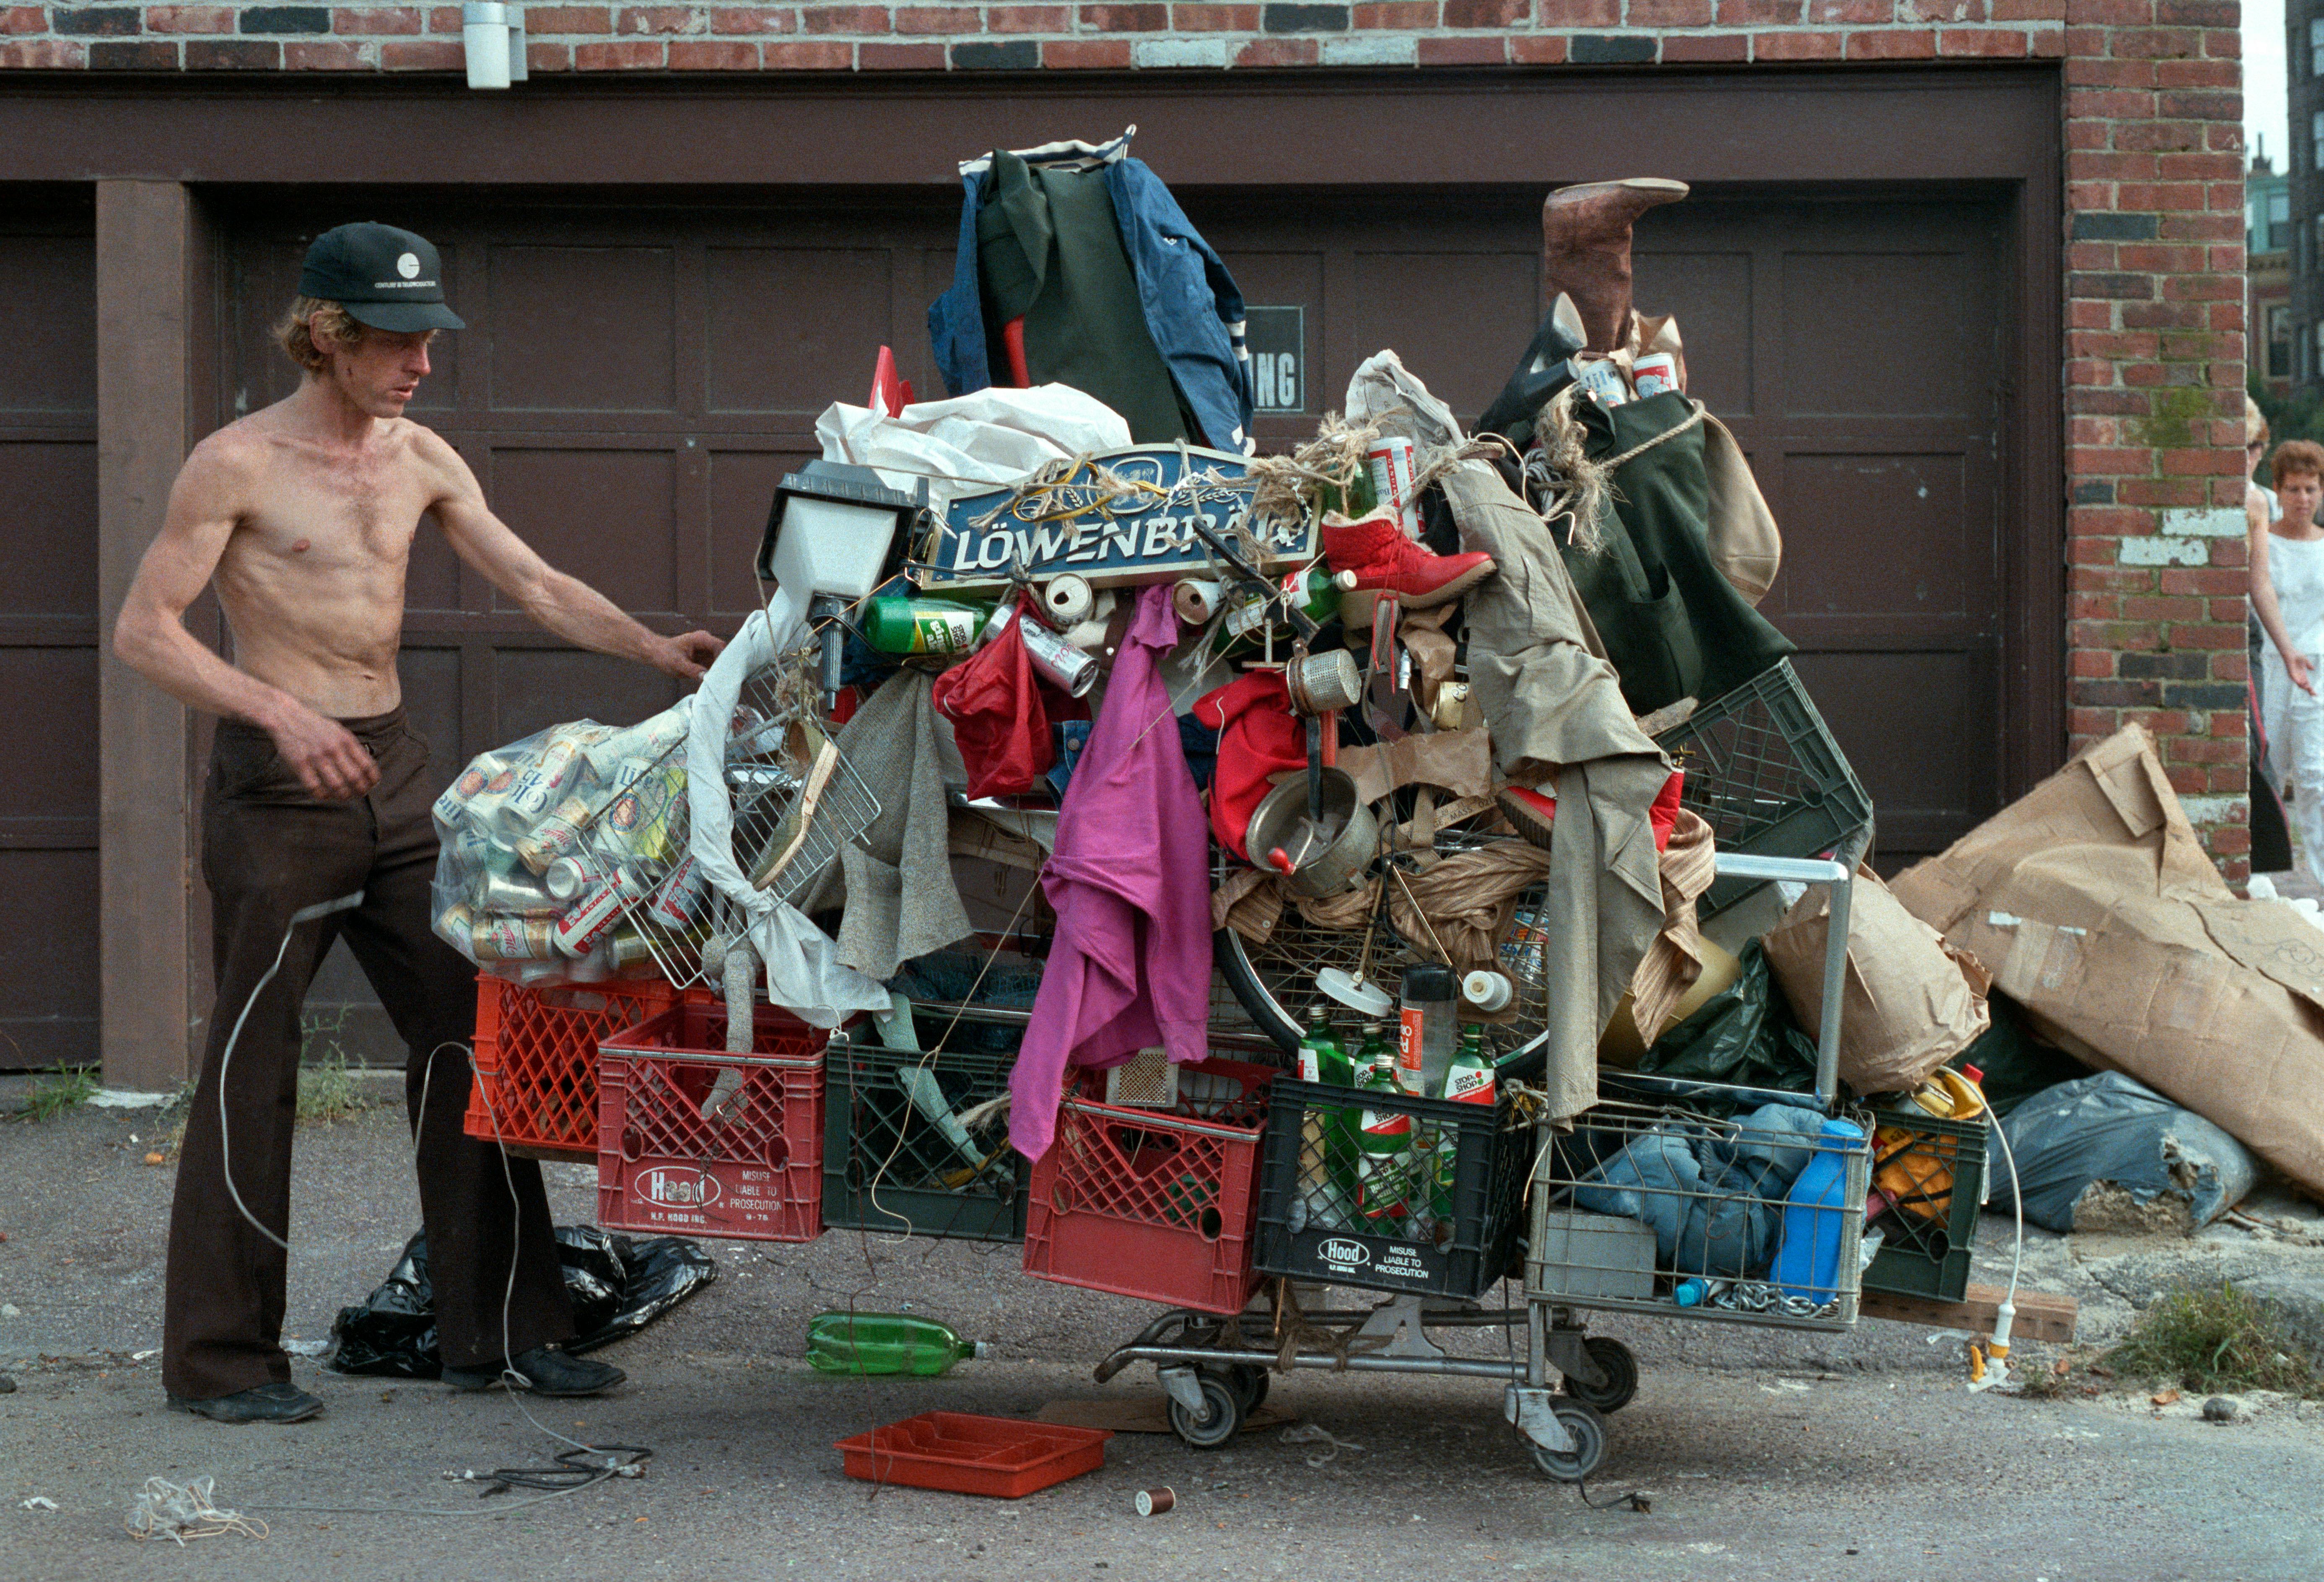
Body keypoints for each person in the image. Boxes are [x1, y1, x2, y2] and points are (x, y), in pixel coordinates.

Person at [112, 223, 724, 1425]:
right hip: (277, 788)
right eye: (398, 342)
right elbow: (145, 629)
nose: (422, 364)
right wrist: (276, 711)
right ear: (327, 335)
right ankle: (223, 1361)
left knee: (475, 1038)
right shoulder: (235, 462)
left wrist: (657, 651)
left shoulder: (420, 457)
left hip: (393, 773)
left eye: (430, 340)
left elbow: (537, 583)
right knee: (255, 1062)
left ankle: (497, 1332)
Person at [2251, 438, 2324, 887]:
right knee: (2266, 770)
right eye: (2294, 489)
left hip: (2318, 670)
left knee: (2317, 778)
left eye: (2312, 489)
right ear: (2277, 491)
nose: (2303, 499)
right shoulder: (2265, 541)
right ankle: (2263, 879)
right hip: (2270, 666)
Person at [2246, 399, 2294, 873]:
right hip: (2212, 626)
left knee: (2256, 740)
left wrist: (2288, 650)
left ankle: (2264, 860)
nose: (2247, 457)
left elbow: (2258, 582)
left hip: (2246, 635)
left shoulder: (2257, 500)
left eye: (2254, 447)